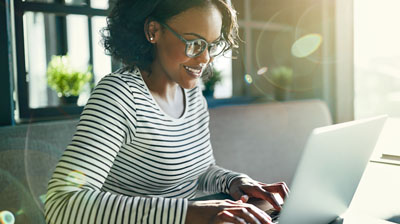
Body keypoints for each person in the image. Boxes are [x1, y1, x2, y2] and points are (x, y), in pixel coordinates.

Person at [44, 0, 289, 223]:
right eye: (194, 44)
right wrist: (190, 212)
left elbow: (199, 170)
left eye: (212, 46)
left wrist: (236, 181)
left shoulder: (191, 93)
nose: (205, 59)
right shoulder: (119, 95)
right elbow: (62, 203)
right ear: (153, 31)